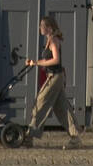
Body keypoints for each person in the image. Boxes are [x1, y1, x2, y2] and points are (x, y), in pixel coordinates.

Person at [25, 16, 82, 148]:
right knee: (61, 107)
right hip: (54, 76)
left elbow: (56, 60)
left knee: (40, 102)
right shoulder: (49, 40)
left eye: (42, 26)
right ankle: (75, 137)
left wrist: (37, 63)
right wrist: (33, 62)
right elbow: (48, 60)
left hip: (55, 77)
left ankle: (29, 137)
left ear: (49, 28)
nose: (40, 28)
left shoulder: (53, 41)